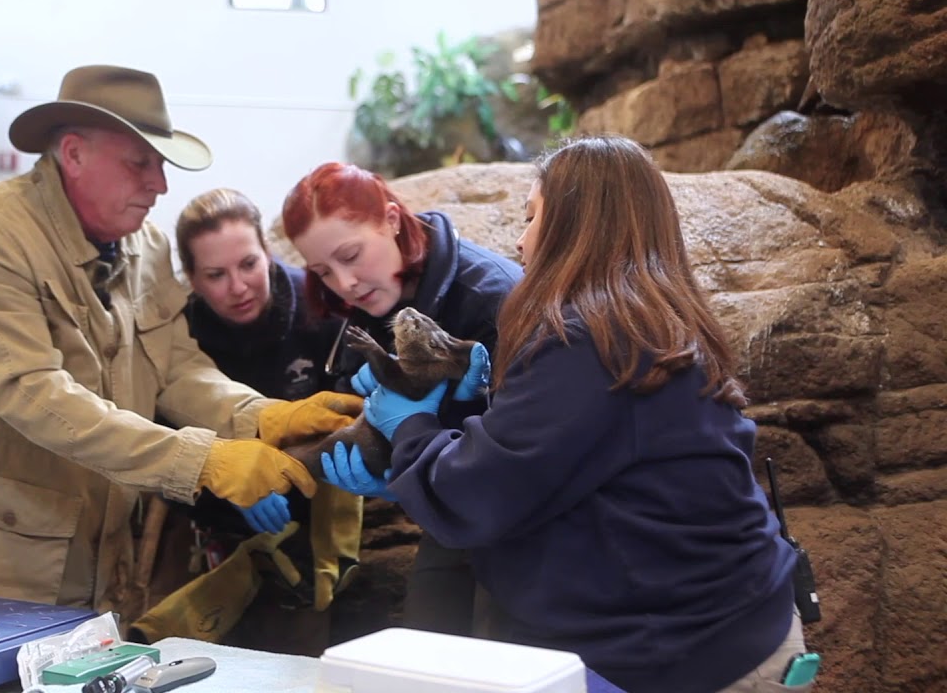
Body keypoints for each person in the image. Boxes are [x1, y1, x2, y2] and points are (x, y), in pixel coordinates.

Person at [326, 135, 809, 693]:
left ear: (578, 225)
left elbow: (482, 490)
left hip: (700, 655)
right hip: (737, 627)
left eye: (532, 216)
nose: (520, 239)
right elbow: (560, 465)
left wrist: (410, 429)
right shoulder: (651, 322)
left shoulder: (589, 340)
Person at [0, 64, 361, 624]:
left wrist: (262, 416)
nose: (161, 184)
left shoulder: (144, 244)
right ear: (74, 154)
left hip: (108, 550)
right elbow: (33, 394)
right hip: (0, 558)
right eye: (140, 163)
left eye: (162, 164)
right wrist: (203, 460)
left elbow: (175, 367)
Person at [279, 161, 523, 637]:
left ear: (391, 220)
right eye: (323, 271)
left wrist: (418, 457)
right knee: (424, 645)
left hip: (521, 511)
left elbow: (522, 456)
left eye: (351, 255)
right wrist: (391, 474)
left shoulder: (492, 297)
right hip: (446, 508)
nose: (344, 284)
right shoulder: (366, 303)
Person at [172, 187, 360, 651]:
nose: (238, 287)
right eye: (216, 275)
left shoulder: (324, 310)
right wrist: (224, 488)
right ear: (191, 278)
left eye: (248, 264)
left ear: (268, 251)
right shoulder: (179, 333)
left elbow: (353, 419)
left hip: (320, 523)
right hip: (214, 534)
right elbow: (164, 439)